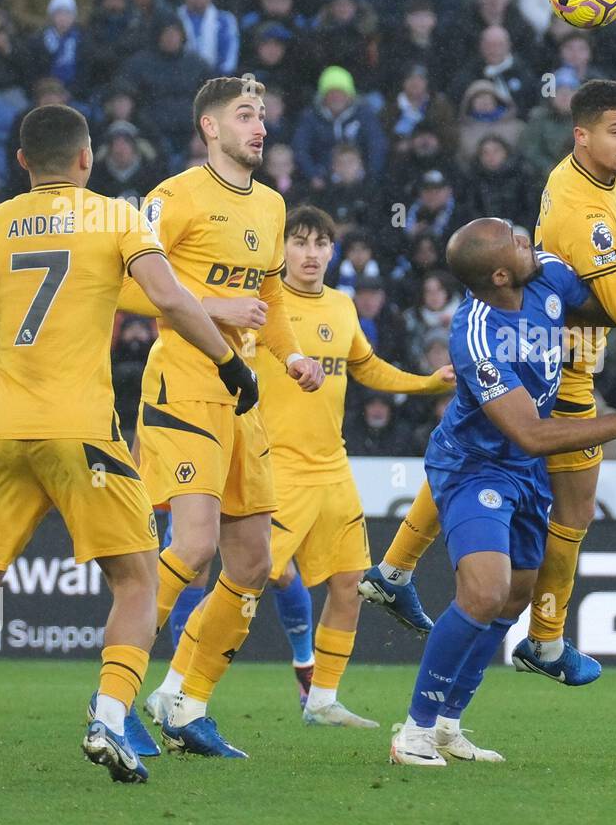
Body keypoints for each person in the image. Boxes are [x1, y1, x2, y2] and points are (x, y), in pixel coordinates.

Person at [361, 80, 616, 683]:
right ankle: (546, 641)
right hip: (569, 365)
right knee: (572, 512)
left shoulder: (590, 179)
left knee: (472, 446)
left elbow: (607, 248)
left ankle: (394, 572)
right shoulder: (582, 212)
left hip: (544, 348)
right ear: (581, 135)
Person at [0, 103, 254, 786]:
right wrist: (229, 362)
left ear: (19, 163)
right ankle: (106, 715)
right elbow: (174, 300)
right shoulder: (113, 216)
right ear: (87, 158)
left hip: (7, 431)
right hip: (86, 436)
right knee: (136, 579)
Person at [388, 217, 616, 766]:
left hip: (524, 474)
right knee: (485, 592)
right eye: (517, 242)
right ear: (499, 275)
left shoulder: (549, 274)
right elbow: (533, 434)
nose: (529, 242)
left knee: (516, 596)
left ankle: (449, 725)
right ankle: (414, 730)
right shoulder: (476, 333)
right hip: (475, 467)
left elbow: (609, 305)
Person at [154, 205, 453, 727]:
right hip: (277, 465)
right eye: (300, 242)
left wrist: (427, 382)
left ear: (333, 252)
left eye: (320, 244)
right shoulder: (263, 307)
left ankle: (322, 698)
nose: (311, 254)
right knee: (241, 582)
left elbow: (367, 367)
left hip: (332, 466)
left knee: (349, 581)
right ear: (281, 249)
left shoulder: (342, 306)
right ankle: (172, 687)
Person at [120, 77, 325, 759]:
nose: (259, 126)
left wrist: (292, 356)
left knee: (253, 560)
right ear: (210, 127)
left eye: (263, 115)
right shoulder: (173, 196)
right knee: (196, 544)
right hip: (182, 382)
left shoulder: (270, 203)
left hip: (242, 395)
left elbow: (268, 293)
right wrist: (214, 306)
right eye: (244, 115)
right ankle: (112, 699)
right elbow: (126, 282)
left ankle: (185, 700)